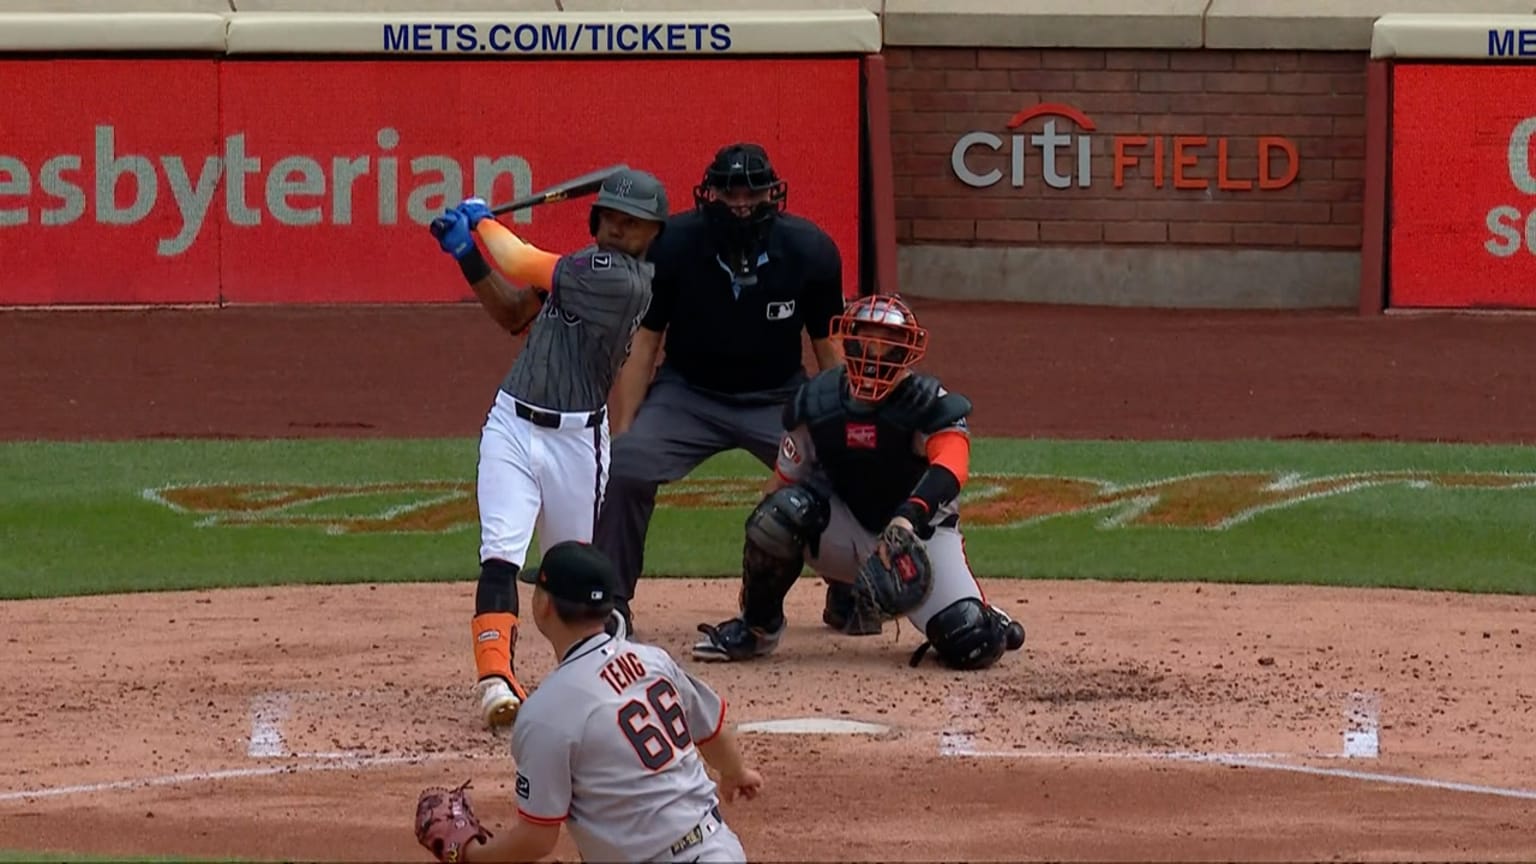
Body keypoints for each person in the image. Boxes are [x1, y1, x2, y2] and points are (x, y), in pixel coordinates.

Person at [427, 169, 666, 730]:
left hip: (578, 442)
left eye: (630, 223)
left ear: (652, 233)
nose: (615, 228)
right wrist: (467, 254)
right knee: (500, 554)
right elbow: (513, 312)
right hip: (512, 423)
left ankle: (603, 670)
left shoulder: (619, 279)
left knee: (576, 570)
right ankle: (496, 682)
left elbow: (521, 261)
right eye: (609, 217)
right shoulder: (581, 269)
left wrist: (482, 221)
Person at [597, 142, 861, 636]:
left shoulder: (810, 250)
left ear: (771, 193)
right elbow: (646, 338)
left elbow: (828, 345)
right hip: (689, 393)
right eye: (730, 191)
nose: (741, 203)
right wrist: (626, 426)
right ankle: (611, 600)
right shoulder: (673, 243)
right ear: (710, 192)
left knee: (838, 468)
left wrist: (838, 423)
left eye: (752, 192)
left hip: (776, 397)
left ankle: (846, 589)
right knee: (627, 464)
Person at [691, 293, 1028, 671]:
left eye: (886, 344)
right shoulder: (817, 401)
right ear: (848, 342)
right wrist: (764, 540)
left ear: (906, 352)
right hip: (843, 531)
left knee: (970, 641)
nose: (874, 353)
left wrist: (907, 517)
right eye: (867, 340)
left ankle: (989, 618)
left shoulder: (928, 401)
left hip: (918, 542)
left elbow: (951, 467)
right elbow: (782, 482)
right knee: (777, 516)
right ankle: (757, 628)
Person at [441, 540, 764, 863]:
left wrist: (469, 855)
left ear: (544, 605)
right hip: (721, 850)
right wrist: (735, 772)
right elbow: (711, 730)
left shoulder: (545, 712)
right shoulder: (654, 661)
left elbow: (536, 839)